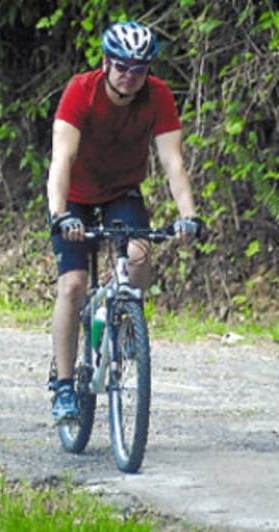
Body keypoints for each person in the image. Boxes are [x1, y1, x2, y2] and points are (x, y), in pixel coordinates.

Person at [46, 21, 202, 423]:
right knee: (74, 284)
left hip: (121, 191)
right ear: (105, 62)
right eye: (122, 67)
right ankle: (63, 385)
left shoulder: (158, 96)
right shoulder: (82, 91)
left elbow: (173, 163)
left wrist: (188, 216)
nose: (131, 77)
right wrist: (60, 213)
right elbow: (61, 159)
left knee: (137, 256)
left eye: (140, 69)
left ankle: (126, 319)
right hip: (76, 197)